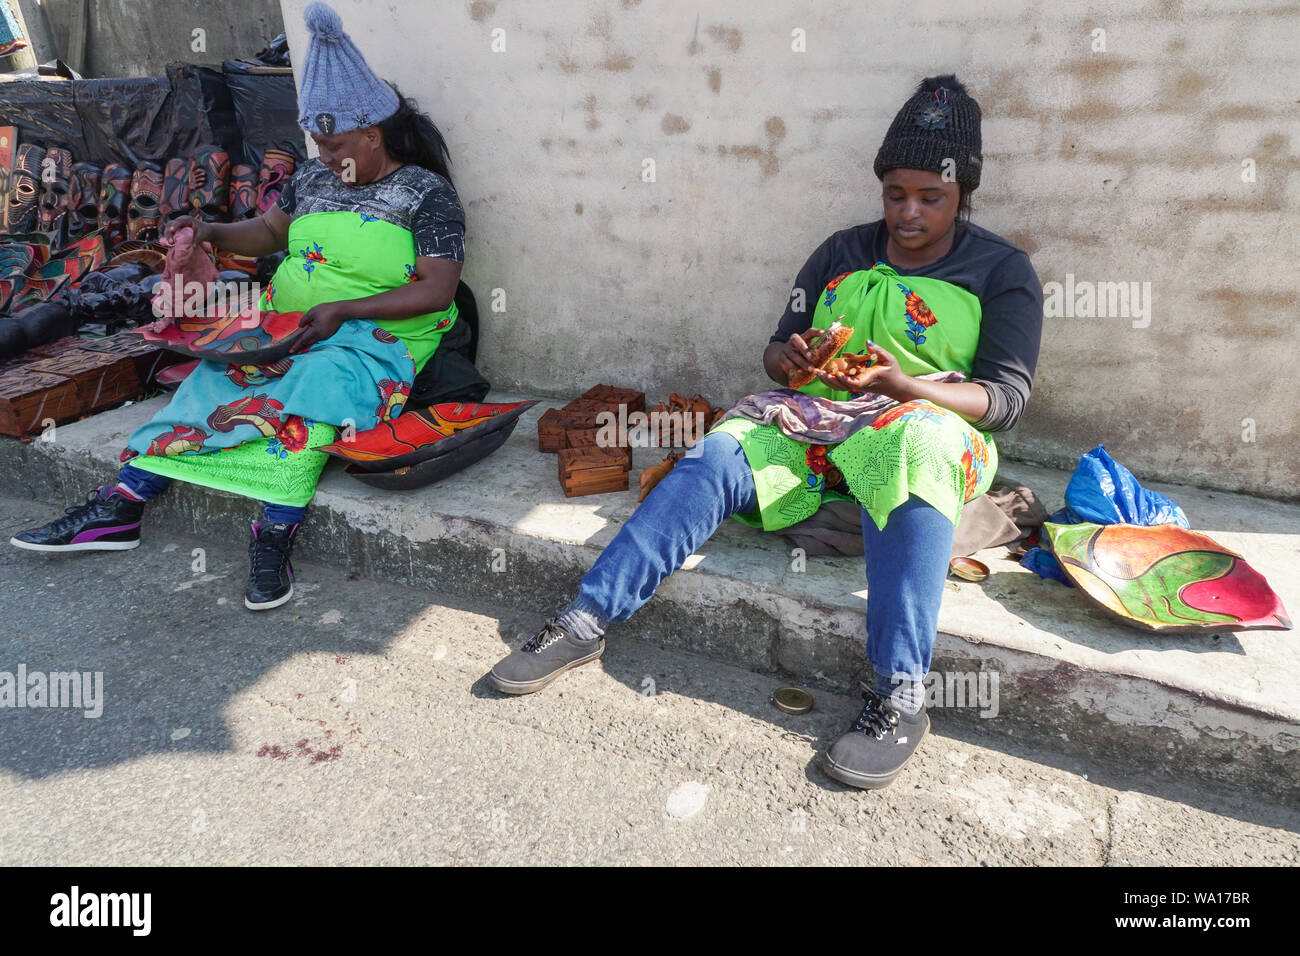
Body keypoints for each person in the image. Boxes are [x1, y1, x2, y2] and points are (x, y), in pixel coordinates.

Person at [487, 75, 1043, 790]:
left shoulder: (1000, 270)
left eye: (929, 199)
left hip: (925, 428)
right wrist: (797, 358)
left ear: (962, 193)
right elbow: (778, 349)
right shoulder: (840, 251)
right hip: (818, 426)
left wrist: (902, 385)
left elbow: (1004, 399)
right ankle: (584, 620)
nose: (907, 213)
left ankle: (901, 694)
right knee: (720, 446)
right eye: (894, 194)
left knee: (919, 446)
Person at [10, 2, 466, 611]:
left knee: (317, 391)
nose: (325, 156)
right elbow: (268, 234)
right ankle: (121, 504)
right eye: (318, 144)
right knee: (214, 375)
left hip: (378, 338)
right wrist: (207, 232)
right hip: (287, 325)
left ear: (371, 134)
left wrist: (344, 313)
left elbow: (436, 291)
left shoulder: (427, 195)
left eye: (332, 144)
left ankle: (274, 531)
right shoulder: (311, 179)